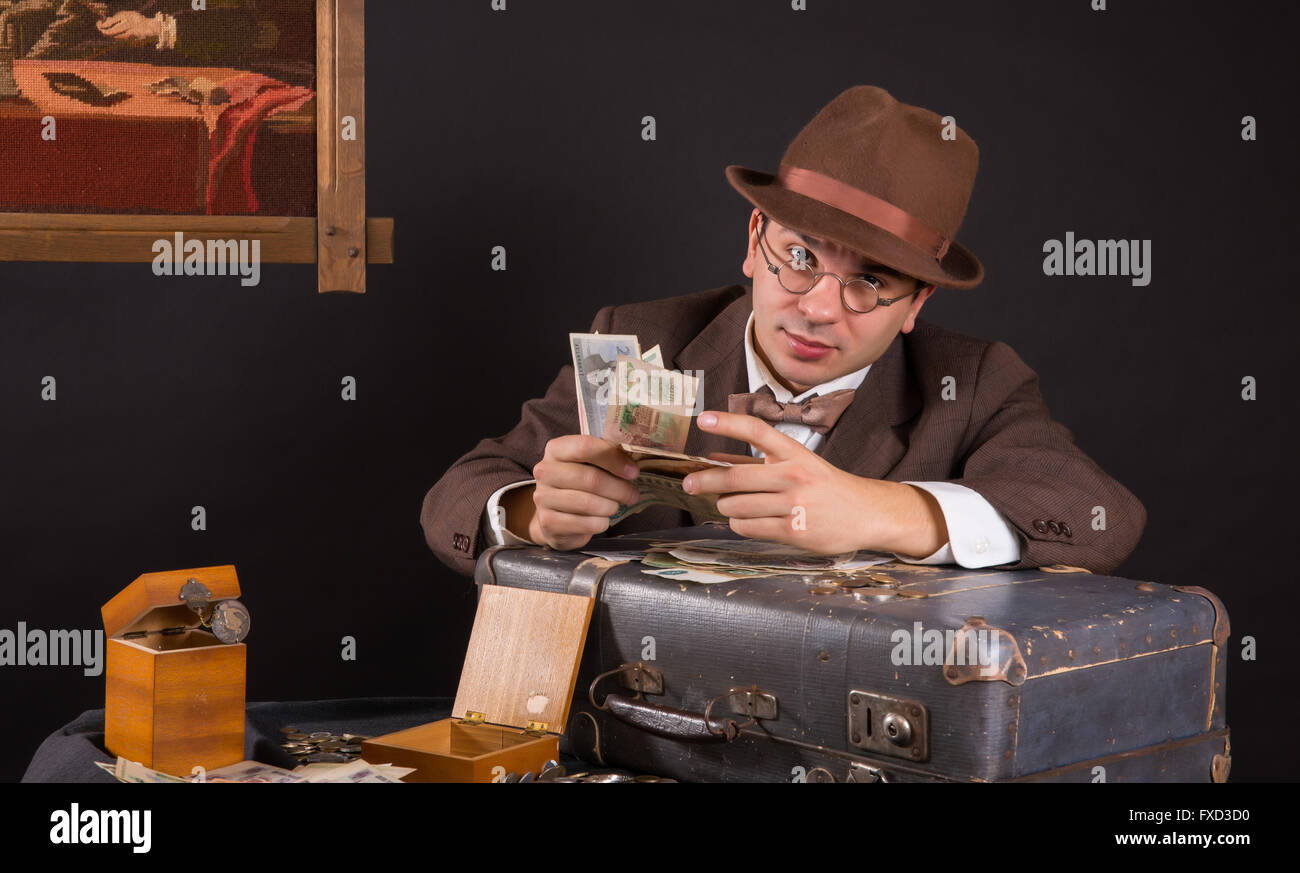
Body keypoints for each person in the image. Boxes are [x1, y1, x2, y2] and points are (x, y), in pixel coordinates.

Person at [421, 85, 1146, 578]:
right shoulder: (641, 340)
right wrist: (533, 513)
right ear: (754, 238)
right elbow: (458, 493)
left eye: (871, 280)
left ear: (917, 302)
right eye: (799, 257)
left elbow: (1100, 515)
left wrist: (881, 510)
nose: (820, 306)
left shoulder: (974, 383)